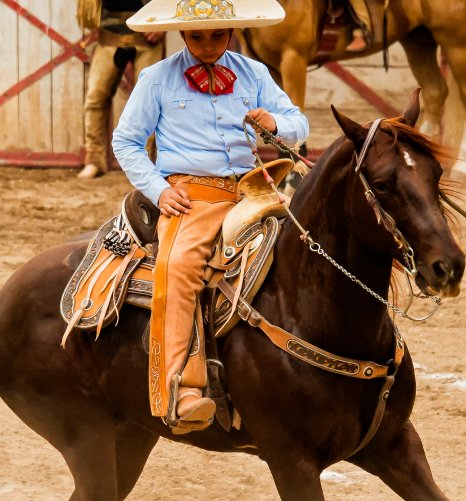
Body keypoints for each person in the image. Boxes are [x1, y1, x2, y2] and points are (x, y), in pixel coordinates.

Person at [112, 0, 308, 431]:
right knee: (180, 267)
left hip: (256, 187)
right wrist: (160, 191)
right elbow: (126, 142)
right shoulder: (156, 79)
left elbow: (300, 124)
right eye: (197, 36)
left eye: (217, 35)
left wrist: (274, 122)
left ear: (231, 32)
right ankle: (180, 387)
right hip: (193, 196)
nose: (207, 45)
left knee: (314, 243)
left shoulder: (254, 73)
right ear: (181, 34)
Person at [77, 0, 166, 179]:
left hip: (147, 34)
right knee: (96, 97)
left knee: (150, 101)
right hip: (109, 36)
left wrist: (163, 23)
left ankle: (146, 162)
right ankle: (94, 160)